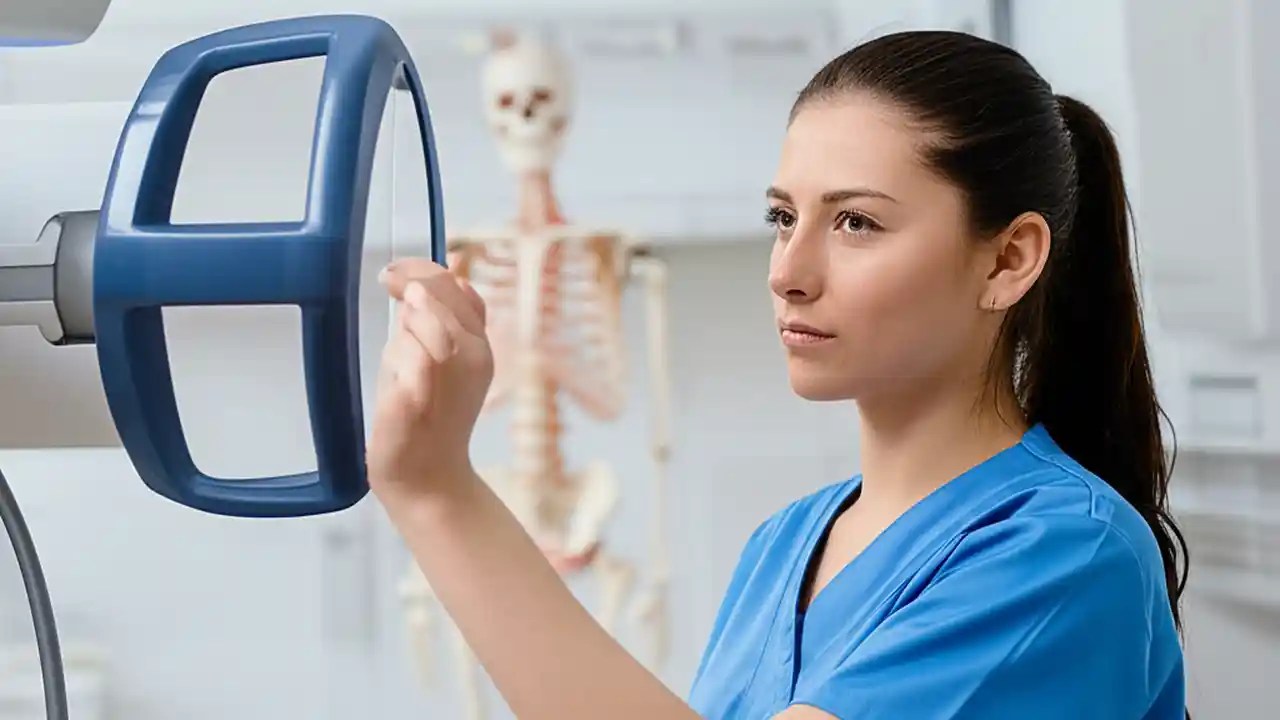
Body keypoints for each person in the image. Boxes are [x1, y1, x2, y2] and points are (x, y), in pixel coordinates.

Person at [366, 29, 1189, 720]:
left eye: (856, 222)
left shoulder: (1066, 554)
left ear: (1009, 260)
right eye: (783, 217)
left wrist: (439, 492)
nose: (789, 270)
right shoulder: (786, 544)